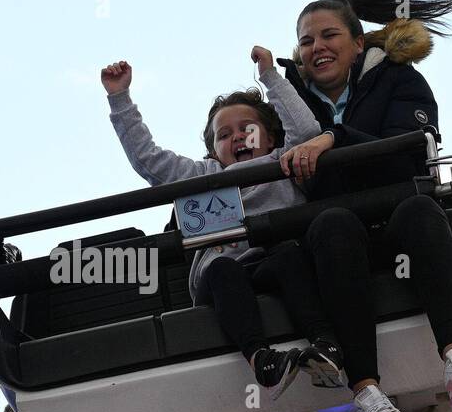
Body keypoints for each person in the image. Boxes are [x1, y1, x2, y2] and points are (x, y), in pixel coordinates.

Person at [273, 0, 452, 412]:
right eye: (306, 41)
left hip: (398, 217)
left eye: (329, 36)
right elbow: (259, 153)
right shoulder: (285, 100)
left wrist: (331, 140)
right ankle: (368, 394)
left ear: (357, 42)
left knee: (421, 212)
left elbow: (407, 148)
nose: (316, 48)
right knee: (332, 224)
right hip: (332, 234)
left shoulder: (400, 80)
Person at [101, 49, 343, 394]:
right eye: (225, 135)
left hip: (275, 261)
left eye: (249, 129)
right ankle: (261, 358)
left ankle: (325, 345)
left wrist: (269, 75)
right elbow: (149, 161)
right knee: (220, 269)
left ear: (272, 138)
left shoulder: (283, 161)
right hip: (225, 275)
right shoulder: (205, 175)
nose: (238, 138)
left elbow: (306, 130)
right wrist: (120, 98)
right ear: (214, 151)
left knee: (291, 254)